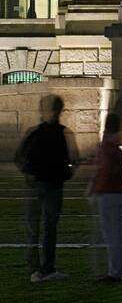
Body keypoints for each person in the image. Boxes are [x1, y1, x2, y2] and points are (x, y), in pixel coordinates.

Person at [15, 94, 79, 284]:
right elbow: (72, 160)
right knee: (47, 228)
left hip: (36, 185)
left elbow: (19, 157)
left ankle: (37, 269)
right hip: (52, 186)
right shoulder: (63, 133)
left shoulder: (34, 132)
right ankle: (45, 268)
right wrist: (67, 174)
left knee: (35, 228)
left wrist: (30, 176)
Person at [88, 111, 122, 284]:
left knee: (110, 235)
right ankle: (115, 270)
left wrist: (95, 188)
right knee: (115, 234)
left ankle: (114, 272)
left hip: (108, 193)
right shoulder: (117, 147)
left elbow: (104, 170)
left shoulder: (107, 147)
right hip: (118, 193)